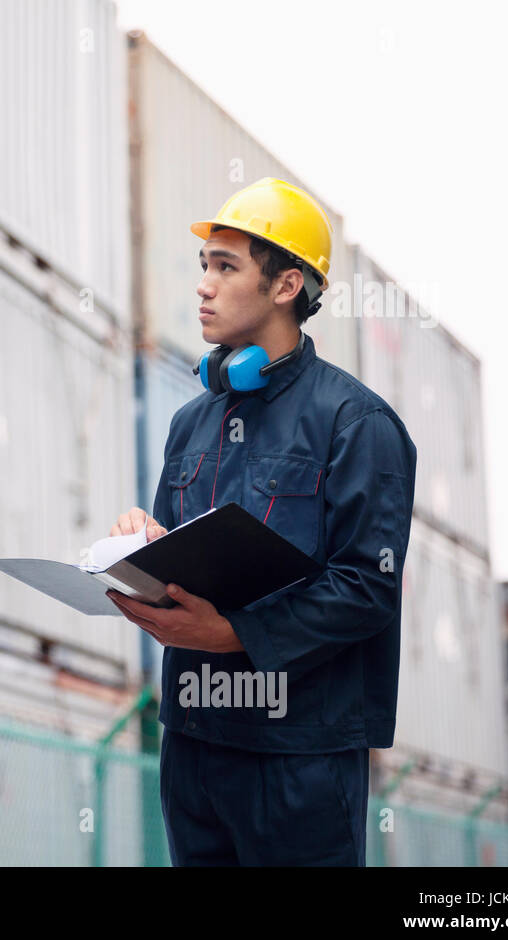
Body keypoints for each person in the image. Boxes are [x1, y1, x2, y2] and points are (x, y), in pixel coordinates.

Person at [108, 177, 417, 866]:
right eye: (204, 266)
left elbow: (369, 587)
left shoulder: (355, 423)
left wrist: (233, 633)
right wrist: (141, 549)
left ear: (285, 286)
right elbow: (181, 556)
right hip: (193, 745)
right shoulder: (193, 421)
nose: (204, 286)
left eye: (227, 267)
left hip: (297, 757)